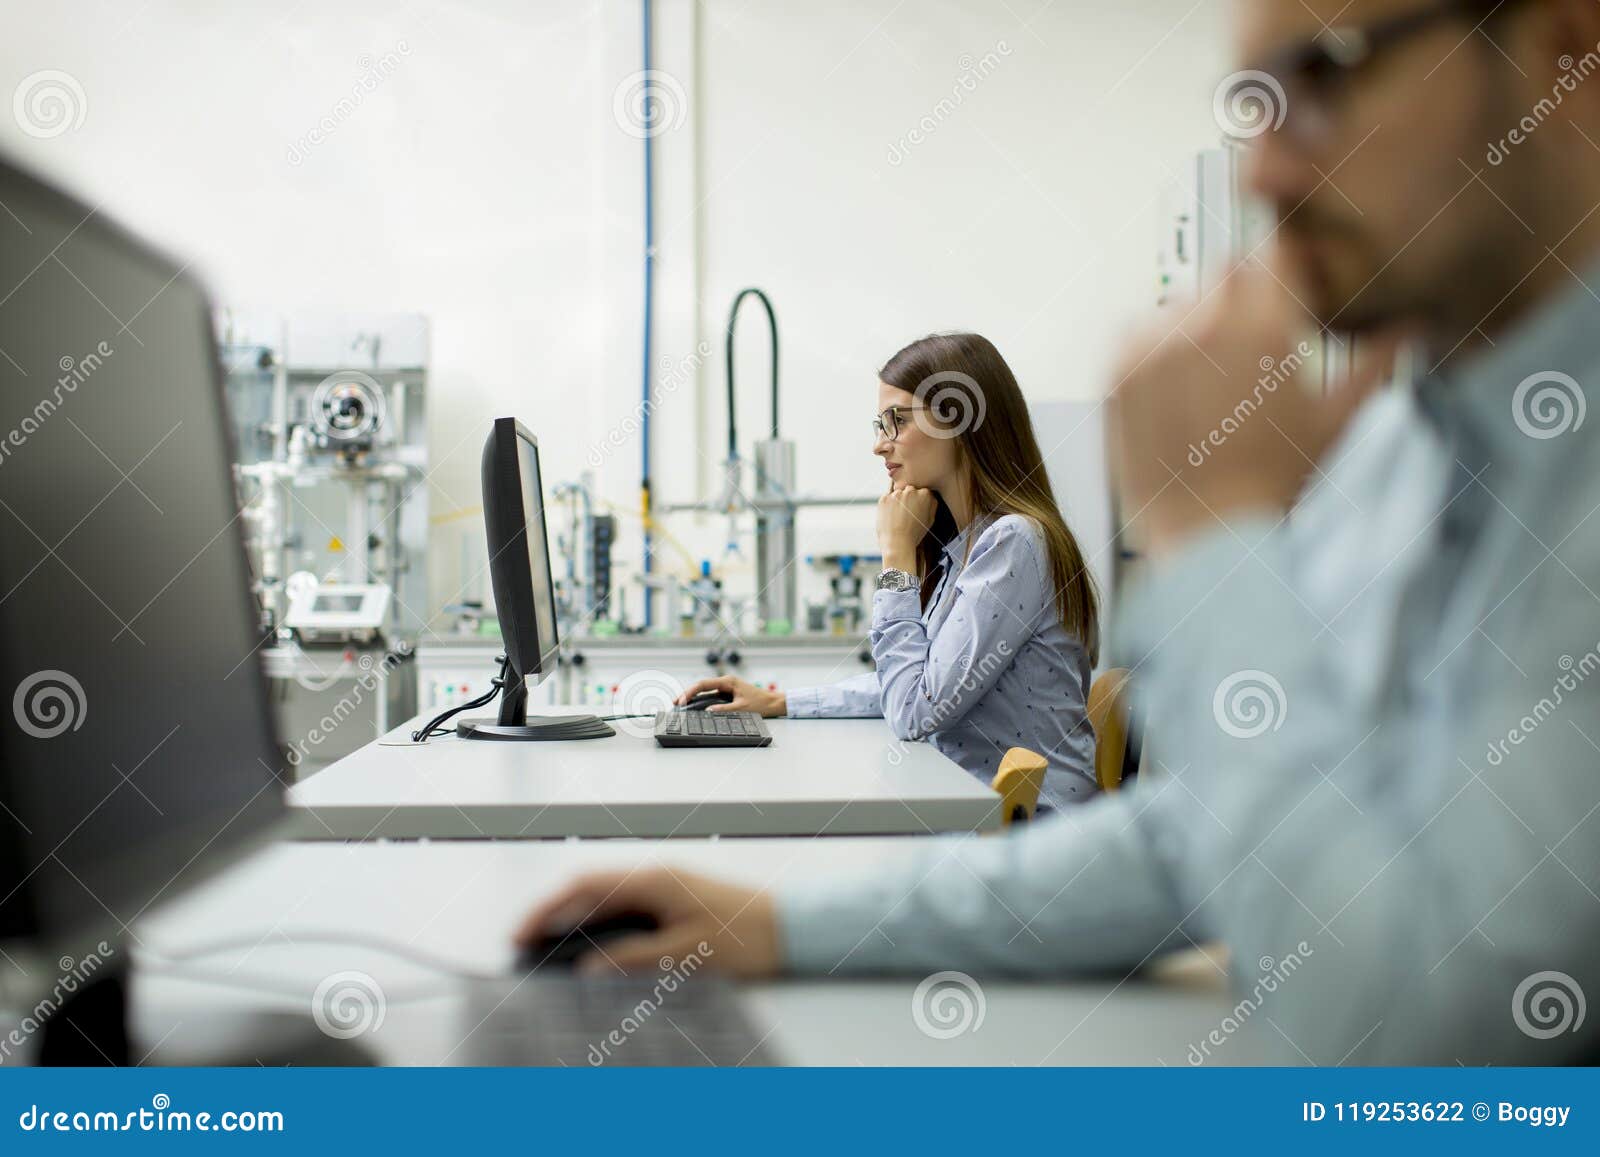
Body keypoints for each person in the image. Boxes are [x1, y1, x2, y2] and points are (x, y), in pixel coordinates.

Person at [519, 0, 1600, 1064]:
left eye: (1324, 76)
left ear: (1564, 51)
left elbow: (1447, 1044)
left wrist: (1215, 531)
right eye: (1252, 102)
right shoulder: (1403, 449)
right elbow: (1197, 836)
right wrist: (783, 928)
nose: (1262, 174)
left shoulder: (1026, 542)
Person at [675, 333, 1103, 807]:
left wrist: (896, 554)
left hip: (1033, 832)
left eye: (897, 421)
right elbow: (918, 683)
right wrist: (780, 702)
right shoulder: (964, 549)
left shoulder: (1013, 542)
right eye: (880, 425)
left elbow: (915, 712)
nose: (881, 446)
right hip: (981, 813)